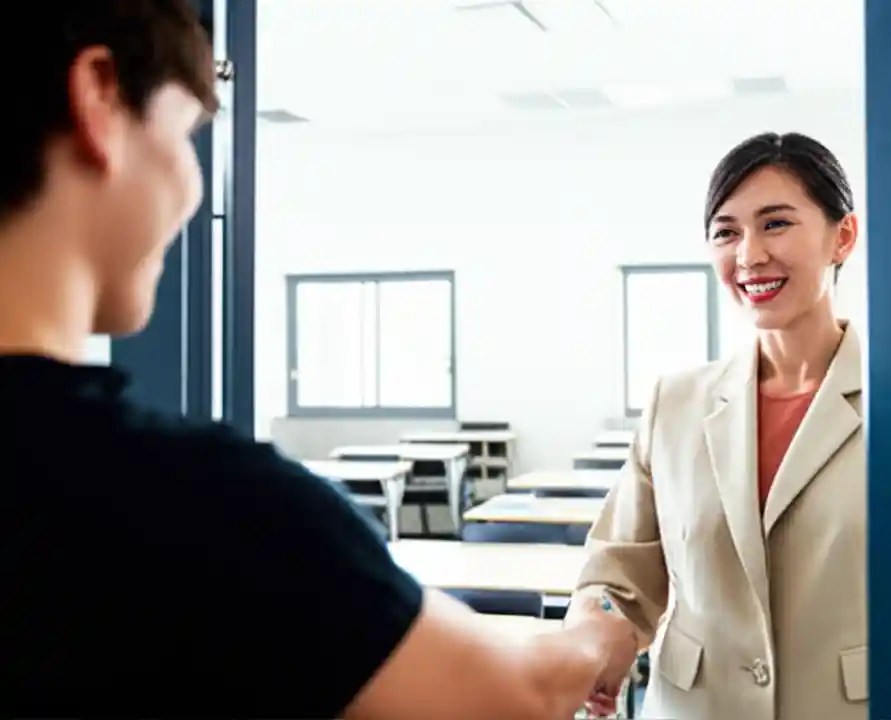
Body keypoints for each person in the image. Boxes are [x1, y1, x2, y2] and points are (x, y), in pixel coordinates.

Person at [0, 2, 635, 717]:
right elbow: (514, 697)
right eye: (184, 135)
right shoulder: (209, 512)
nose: (191, 186)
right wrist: (592, 633)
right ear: (101, 98)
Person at [565, 132, 866, 719]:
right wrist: (592, 640)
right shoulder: (674, 404)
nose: (749, 255)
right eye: (726, 232)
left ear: (843, 235)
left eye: (775, 223)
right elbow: (617, 581)